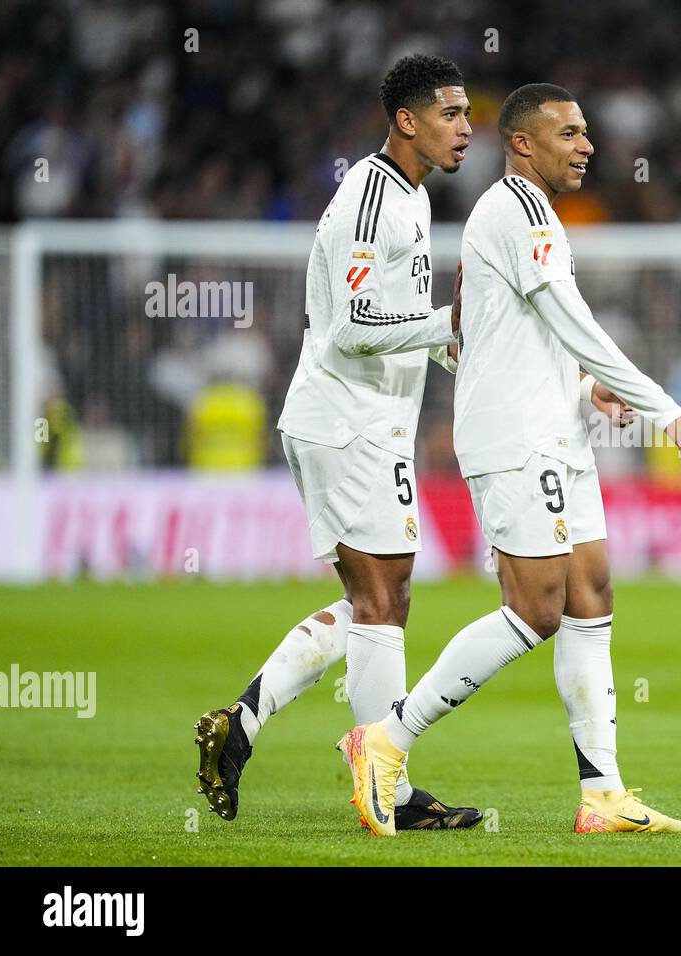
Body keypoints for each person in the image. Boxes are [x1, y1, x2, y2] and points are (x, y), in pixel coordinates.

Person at [337, 83, 681, 836]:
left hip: (555, 431)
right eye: (570, 133)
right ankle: (384, 739)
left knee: (591, 594)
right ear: (522, 143)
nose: (587, 145)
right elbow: (574, 323)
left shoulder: (532, 217)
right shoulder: (516, 210)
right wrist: (663, 411)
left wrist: (583, 393)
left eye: (587, 132)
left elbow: (523, 337)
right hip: (513, 439)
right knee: (537, 608)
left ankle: (603, 795)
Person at [193, 55, 481, 831]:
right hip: (342, 421)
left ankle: (241, 726)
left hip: (369, 425)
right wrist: (444, 328)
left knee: (377, 601)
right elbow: (352, 328)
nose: (466, 127)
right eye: (451, 114)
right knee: (382, 602)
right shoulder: (368, 197)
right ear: (407, 120)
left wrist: (447, 347)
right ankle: (385, 784)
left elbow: (393, 322)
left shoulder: (412, 199)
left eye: (467, 113)